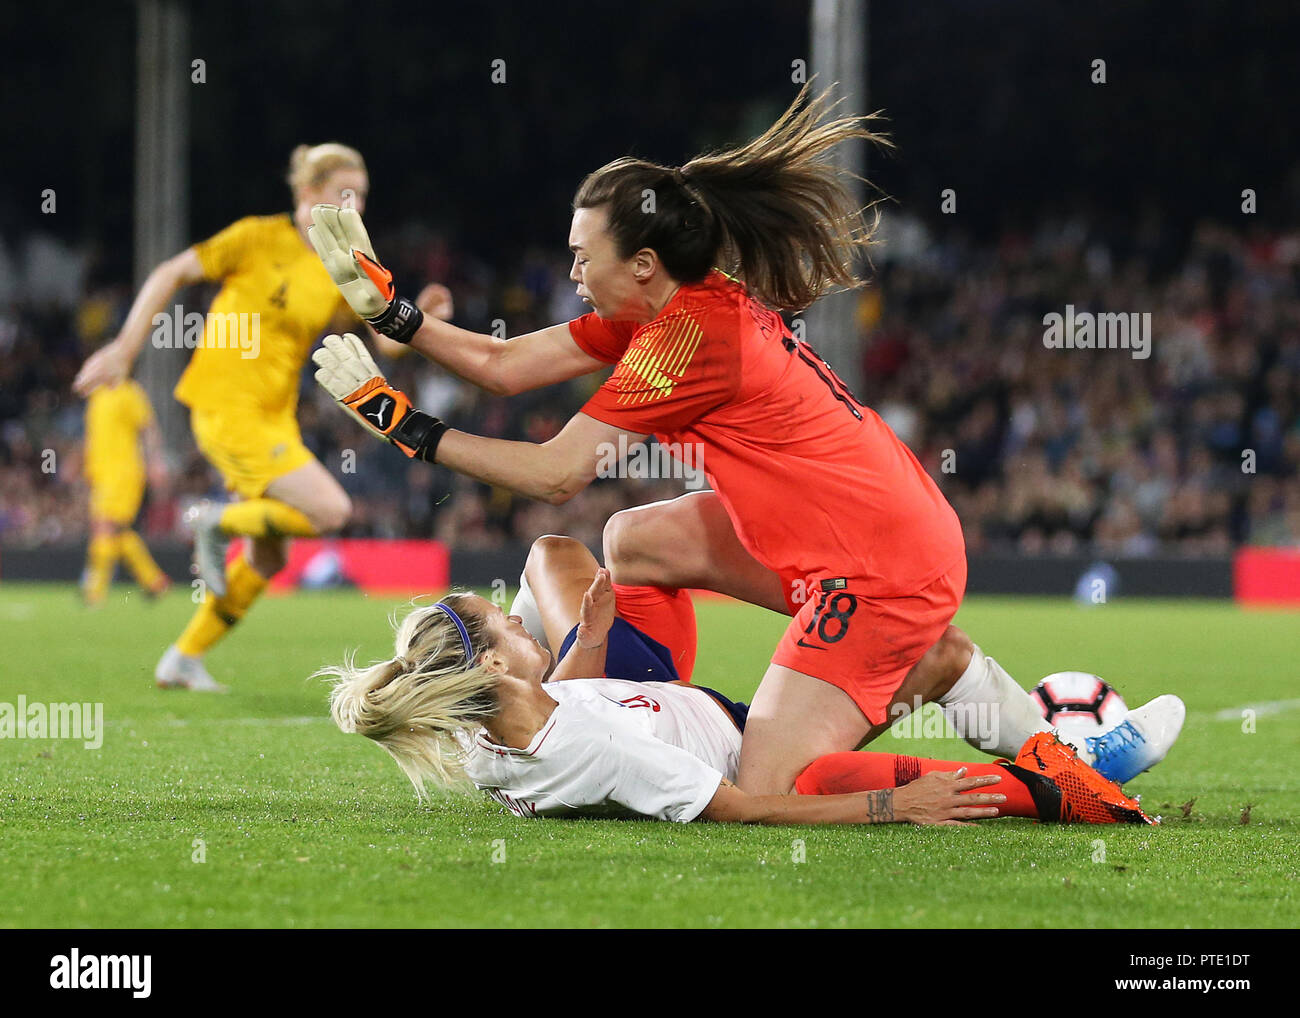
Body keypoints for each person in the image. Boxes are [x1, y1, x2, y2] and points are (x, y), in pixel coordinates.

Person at [306, 86, 1184, 790]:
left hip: (874, 565)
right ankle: (653, 700)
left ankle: (1051, 783)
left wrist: (397, 420)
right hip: (880, 524)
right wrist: (393, 309)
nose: (571, 269)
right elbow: (502, 366)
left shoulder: (688, 340)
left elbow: (553, 474)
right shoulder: (672, 310)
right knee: (636, 541)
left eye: (583, 253)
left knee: (774, 785)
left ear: (641, 265)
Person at [324, 535, 1154, 826]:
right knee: (928, 659)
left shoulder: (484, 736)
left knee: (595, 549)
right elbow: (738, 809)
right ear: (496, 663)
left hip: (702, 714)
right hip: (753, 748)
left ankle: (1058, 753)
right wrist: (892, 807)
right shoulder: (595, 747)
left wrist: (595, 636)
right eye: (505, 621)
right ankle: (1072, 772)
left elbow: (560, 704)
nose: (516, 613)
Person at [73, 143, 450, 691]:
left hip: (275, 420)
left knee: (269, 557)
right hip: (225, 405)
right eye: (345, 193)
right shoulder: (257, 236)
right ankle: (213, 521)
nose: (356, 206)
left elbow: (386, 344)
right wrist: (125, 349)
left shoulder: (341, 263)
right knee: (332, 510)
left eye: (362, 197)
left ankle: (182, 658)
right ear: (307, 193)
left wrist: (426, 317)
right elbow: (169, 273)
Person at [80, 377, 171, 606]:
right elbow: (93, 436)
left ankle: (94, 591)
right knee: (118, 530)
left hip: (123, 471)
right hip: (101, 473)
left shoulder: (130, 392)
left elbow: (148, 428)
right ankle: (155, 582)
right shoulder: (97, 394)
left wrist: (156, 462)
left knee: (105, 525)